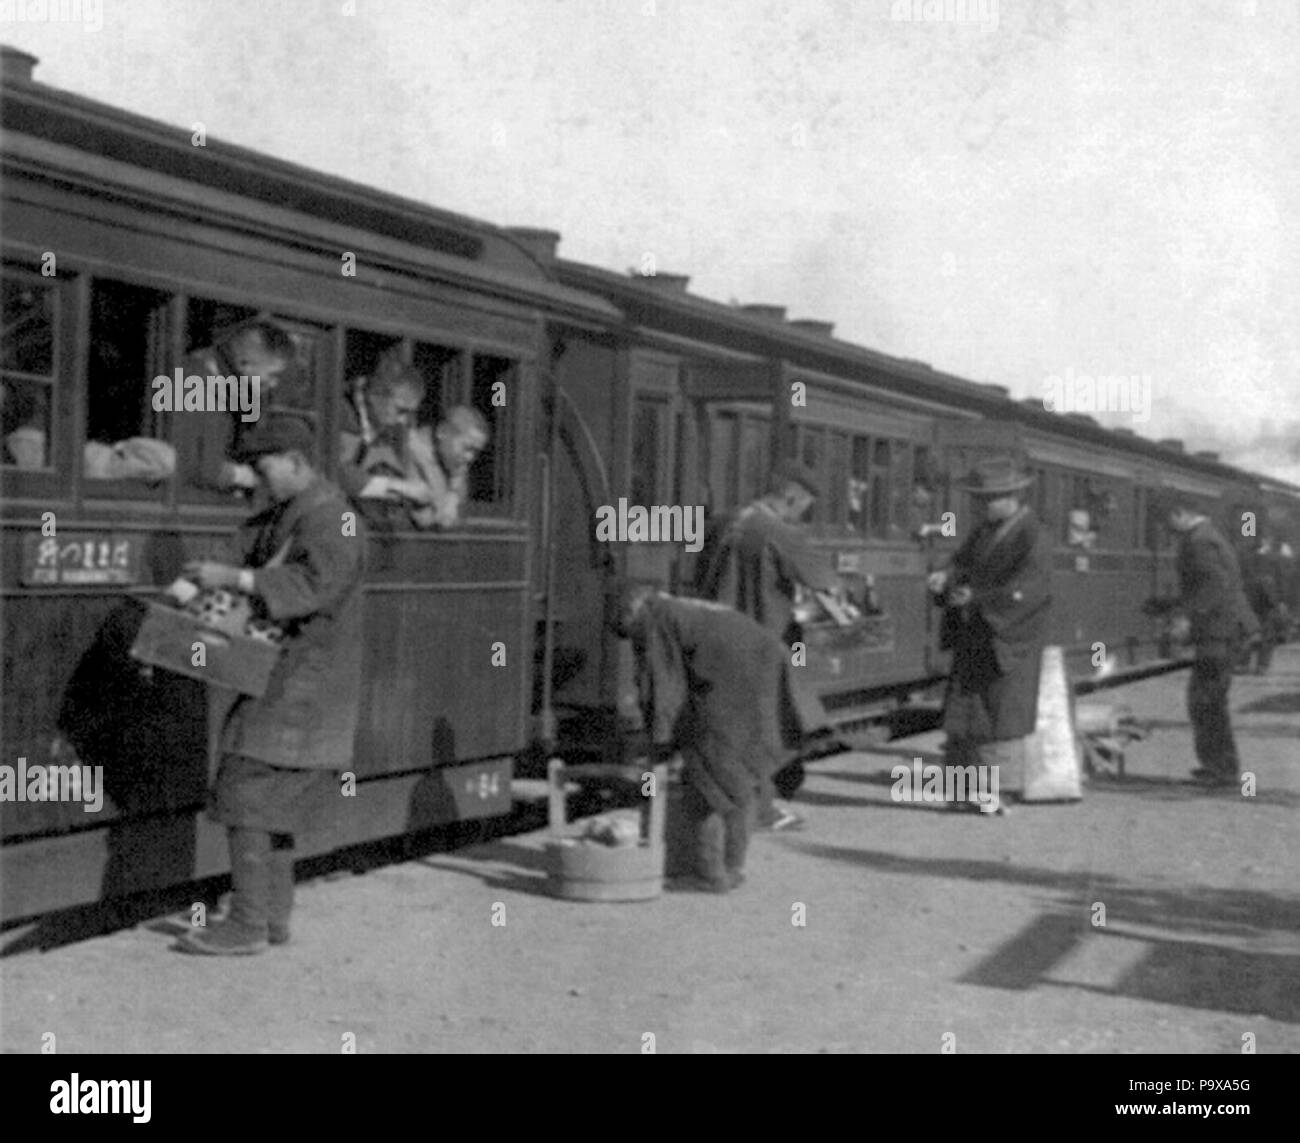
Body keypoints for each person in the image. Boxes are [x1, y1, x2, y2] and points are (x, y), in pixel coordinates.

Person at [176, 415, 366, 955]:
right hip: (297, 679)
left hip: (304, 682)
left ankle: (247, 925)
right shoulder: (299, 510)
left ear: (296, 463)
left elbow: (316, 585)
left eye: (265, 469)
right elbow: (250, 546)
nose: (259, 481)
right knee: (274, 801)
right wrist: (207, 573)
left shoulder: (335, 520)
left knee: (247, 787)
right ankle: (272, 919)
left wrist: (236, 580)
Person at [612, 583, 786, 893]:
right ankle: (733, 868)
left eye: (631, 635)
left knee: (705, 780)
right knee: (739, 781)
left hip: (734, 689)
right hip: (766, 676)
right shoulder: (684, 608)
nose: (635, 644)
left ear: (633, 614)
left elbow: (664, 690)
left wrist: (660, 745)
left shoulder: (656, 619)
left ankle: (709, 874)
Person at [694, 458, 838, 831]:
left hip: (714, 637)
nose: (802, 516)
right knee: (764, 728)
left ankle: (725, 803)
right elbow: (824, 581)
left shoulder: (722, 522)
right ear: (792, 497)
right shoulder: (779, 533)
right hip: (761, 642)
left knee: (725, 726)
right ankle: (761, 810)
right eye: (804, 507)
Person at [928, 456, 1052, 813]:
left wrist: (978, 599)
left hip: (1007, 640)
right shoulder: (985, 530)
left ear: (1013, 495)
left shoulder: (1034, 535)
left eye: (987, 499)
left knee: (998, 720)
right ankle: (959, 792)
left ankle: (997, 793)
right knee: (964, 717)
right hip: (978, 634)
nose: (980, 506)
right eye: (977, 499)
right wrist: (946, 577)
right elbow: (962, 563)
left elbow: (1030, 590)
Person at [1158, 493, 1258, 787]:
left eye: (1168, 522)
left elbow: (1215, 585)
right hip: (1222, 629)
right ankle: (1219, 766)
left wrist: (1187, 617)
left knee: (1206, 699)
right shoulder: (1207, 536)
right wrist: (1172, 604)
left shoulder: (1200, 540)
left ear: (1179, 512)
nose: (1168, 530)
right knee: (1209, 699)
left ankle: (1222, 769)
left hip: (1220, 631)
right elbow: (1209, 585)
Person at [172, 320, 296, 492]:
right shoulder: (199, 385)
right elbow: (200, 468)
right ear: (245, 364)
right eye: (272, 375)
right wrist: (242, 475)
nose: (274, 384)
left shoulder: (233, 388)